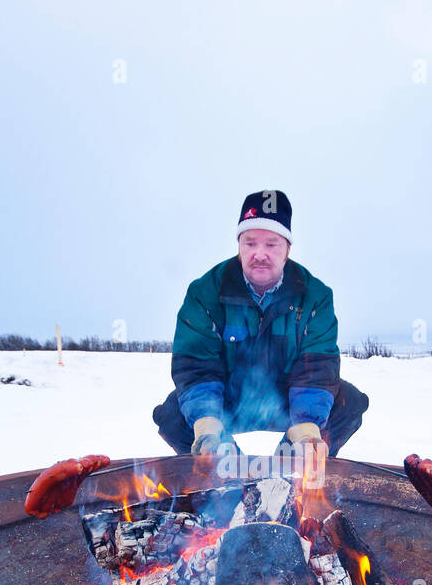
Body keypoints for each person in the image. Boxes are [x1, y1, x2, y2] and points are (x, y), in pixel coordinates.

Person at [152, 190, 369, 463]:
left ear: (288, 248)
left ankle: (291, 470)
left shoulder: (316, 296)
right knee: (172, 412)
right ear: (239, 245)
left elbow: (317, 371)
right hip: (228, 398)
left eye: (271, 244)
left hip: (289, 399)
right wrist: (207, 426)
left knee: (348, 401)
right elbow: (196, 368)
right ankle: (222, 475)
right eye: (250, 243)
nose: (259, 254)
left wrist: (306, 430)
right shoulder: (204, 292)